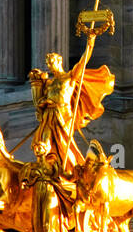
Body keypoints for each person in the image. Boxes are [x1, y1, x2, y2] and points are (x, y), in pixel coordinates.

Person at [28, 31, 114, 170]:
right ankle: (47, 168)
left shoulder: (70, 77)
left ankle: (72, 169)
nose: (50, 67)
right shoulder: (50, 84)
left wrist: (90, 43)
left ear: (59, 62)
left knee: (63, 146)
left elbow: (83, 62)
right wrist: (43, 102)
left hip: (64, 116)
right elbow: (41, 100)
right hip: (49, 116)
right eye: (48, 64)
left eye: (51, 63)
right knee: (44, 143)